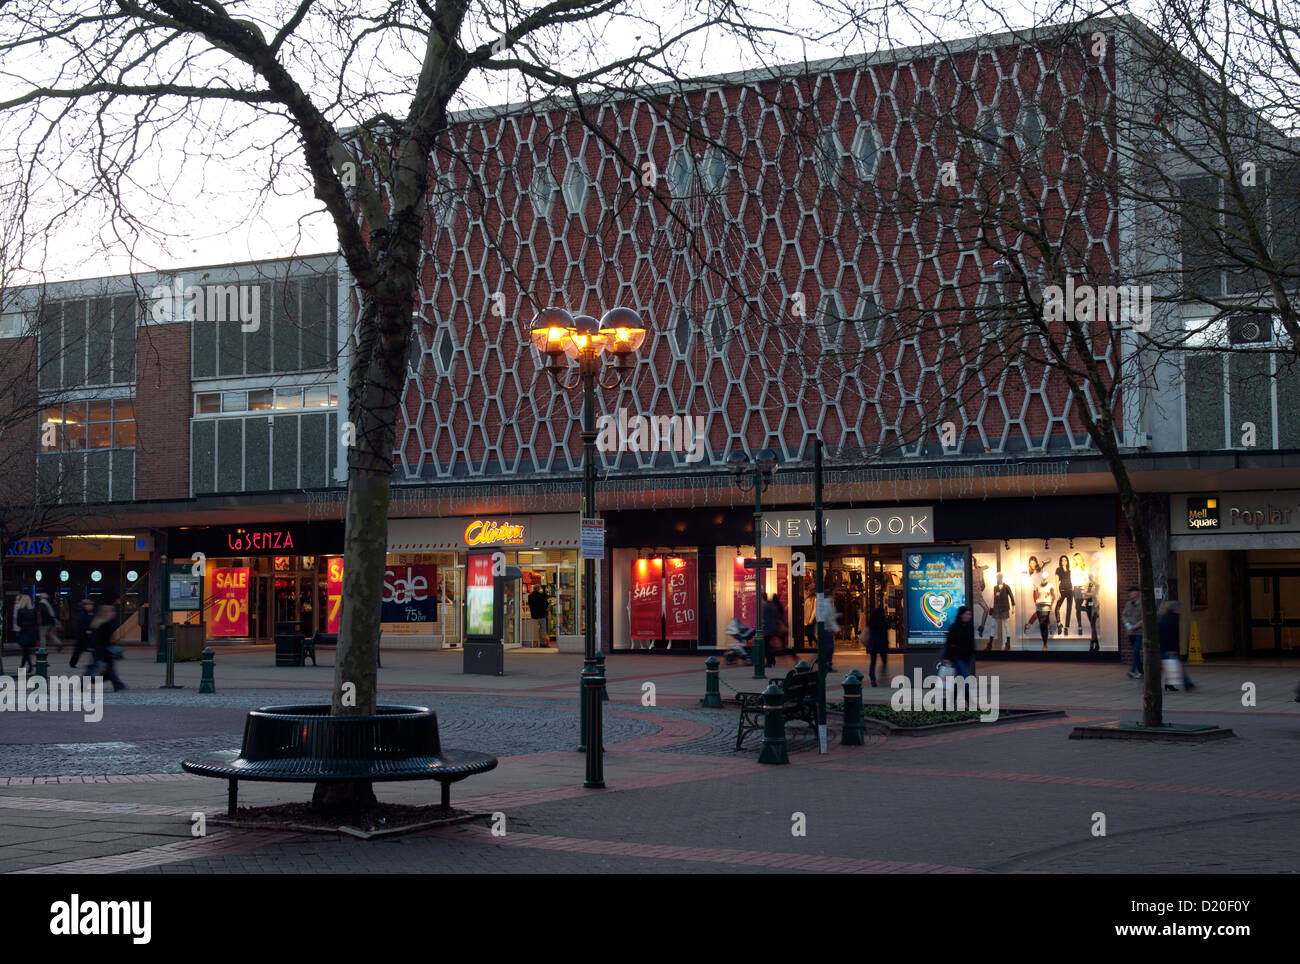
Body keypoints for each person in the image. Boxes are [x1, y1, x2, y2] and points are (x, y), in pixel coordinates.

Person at [84, 604, 126, 691]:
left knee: (106, 667)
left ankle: (117, 684)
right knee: (101, 667)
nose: (113, 613)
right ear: (106, 613)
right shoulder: (103, 624)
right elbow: (100, 638)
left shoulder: (101, 622)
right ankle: (117, 684)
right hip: (102, 649)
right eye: (111, 611)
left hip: (101, 649)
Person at [1157, 599, 1193, 692]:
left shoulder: (1170, 617)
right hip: (1168, 647)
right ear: (1174, 609)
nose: (1181, 610)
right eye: (1179, 608)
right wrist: (1171, 648)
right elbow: (1168, 635)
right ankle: (1187, 684)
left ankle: (1168, 684)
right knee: (1176, 666)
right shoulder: (1169, 619)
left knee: (1168, 666)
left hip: (1166, 647)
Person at [942, 606, 976, 697]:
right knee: (965, 676)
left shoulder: (970, 627)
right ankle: (970, 700)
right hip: (958, 656)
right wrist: (947, 657)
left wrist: (972, 652)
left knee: (959, 678)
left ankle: (950, 702)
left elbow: (971, 641)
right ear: (961, 615)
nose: (969, 616)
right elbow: (949, 643)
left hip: (967, 657)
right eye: (967, 614)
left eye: (970, 614)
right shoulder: (954, 627)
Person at [1122, 587, 1143, 678]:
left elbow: (1143, 619)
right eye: (1130, 593)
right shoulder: (1128, 604)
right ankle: (1142, 671)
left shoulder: (1142, 604)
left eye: (1132, 592)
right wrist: (1127, 624)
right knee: (1135, 652)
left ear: (1137, 593)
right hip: (1130, 632)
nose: (1130, 594)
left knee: (1136, 651)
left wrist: (1135, 626)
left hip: (1139, 632)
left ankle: (1132, 670)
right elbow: (1124, 615)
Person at [761, 593, 788, 668]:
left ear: (762, 598)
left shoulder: (766, 606)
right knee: (769, 645)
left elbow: (766, 619)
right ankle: (772, 660)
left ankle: (769, 662)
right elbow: (777, 616)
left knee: (766, 646)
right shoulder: (772, 605)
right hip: (773, 628)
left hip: (769, 629)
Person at [12, 594, 38, 670]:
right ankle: (23, 665)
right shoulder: (33, 611)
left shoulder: (20, 610)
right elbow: (35, 622)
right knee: (26, 650)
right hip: (31, 632)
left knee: (25, 650)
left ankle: (28, 666)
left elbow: (18, 623)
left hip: (24, 631)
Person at [866, 604, 888, 686]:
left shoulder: (871, 622)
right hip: (882, 644)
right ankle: (882, 675)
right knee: (884, 661)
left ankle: (872, 678)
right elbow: (885, 635)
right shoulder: (883, 622)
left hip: (873, 645)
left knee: (873, 662)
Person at [71, 598, 95, 668]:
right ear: (85, 606)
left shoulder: (91, 613)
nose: (91, 606)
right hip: (82, 635)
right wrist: (86, 630)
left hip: (89, 635)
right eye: (89, 605)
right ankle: (72, 663)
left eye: (91, 605)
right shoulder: (82, 613)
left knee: (93, 649)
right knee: (78, 650)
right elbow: (80, 624)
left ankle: (95, 662)